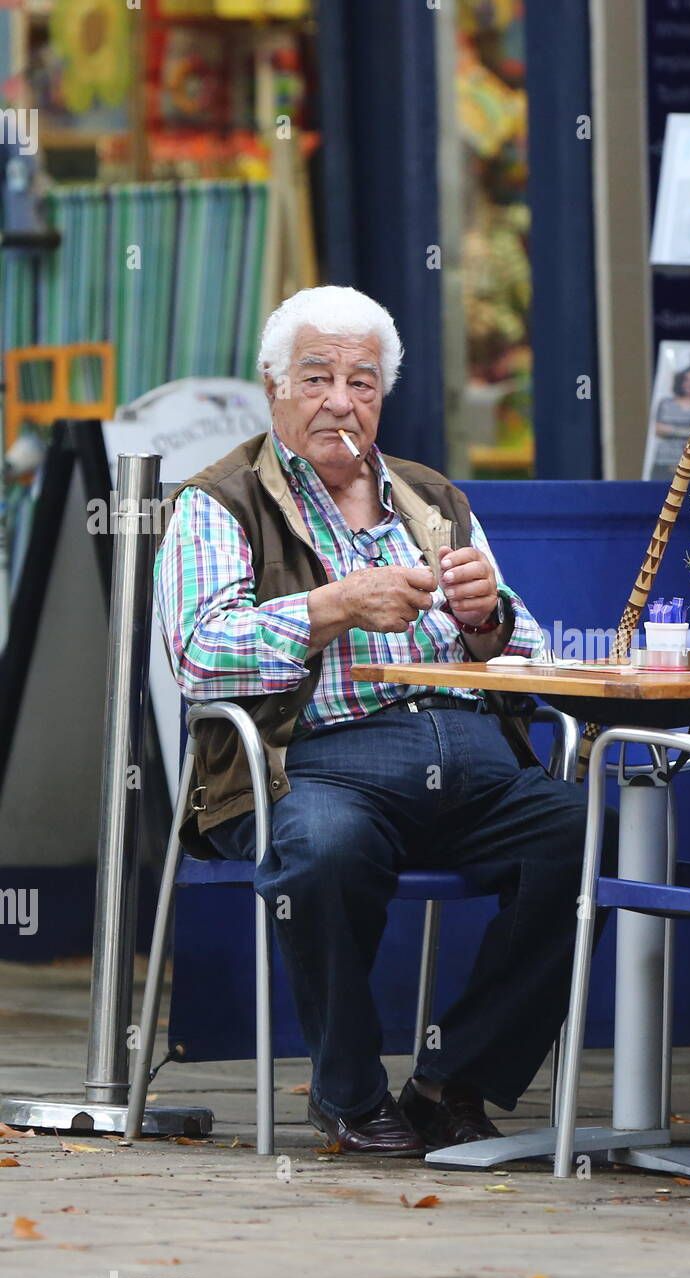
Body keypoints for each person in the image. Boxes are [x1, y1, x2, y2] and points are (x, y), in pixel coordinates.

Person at [155, 285, 613, 1157]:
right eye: (317, 376)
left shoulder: (430, 497)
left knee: (585, 833)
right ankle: (349, 1092)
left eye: (362, 382)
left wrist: (488, 621)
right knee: (327, 849)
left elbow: (532, 650)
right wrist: (329, 607)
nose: (340, 401)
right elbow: (200, 657)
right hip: (313, 764)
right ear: (273, 387)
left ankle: (456, 1081)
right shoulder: (216, 501)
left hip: (472, 761)